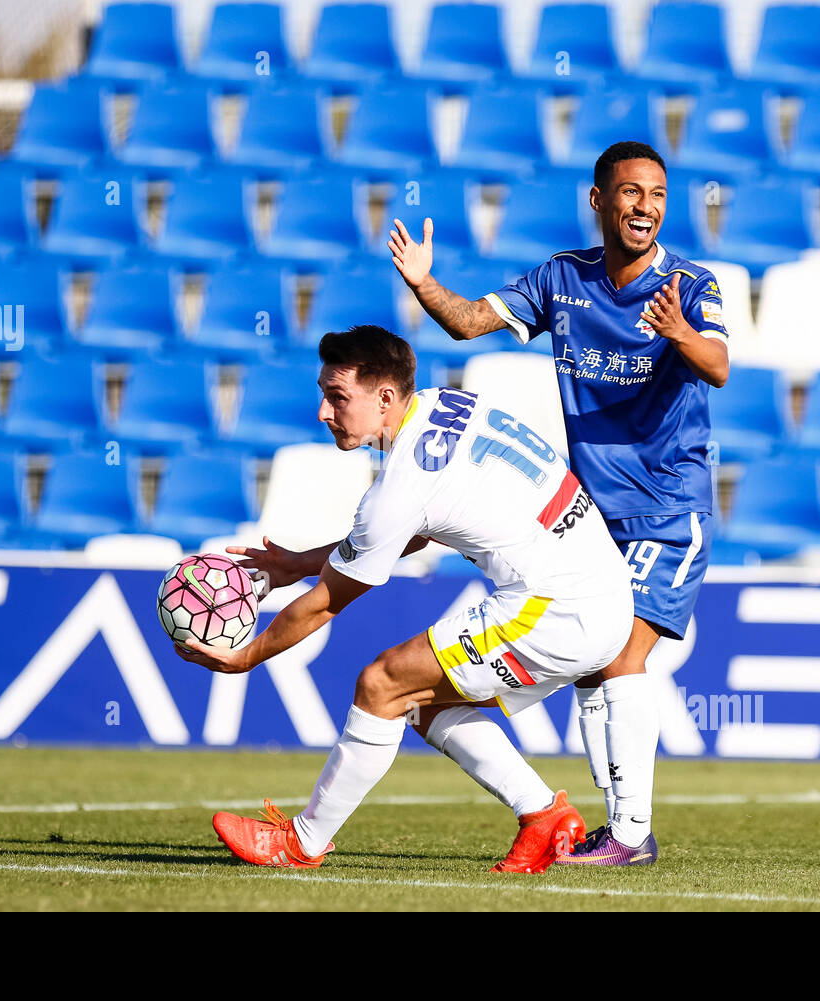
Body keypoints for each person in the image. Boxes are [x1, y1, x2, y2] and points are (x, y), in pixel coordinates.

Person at [175, 324, 634, 873]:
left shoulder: (403, 483)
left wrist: (246, 657)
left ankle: (303, 842)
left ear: (385, 397)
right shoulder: (447, 404)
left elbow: (326, 602)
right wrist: (293, 563)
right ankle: (543, 818)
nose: (324, 411)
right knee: (417, 701)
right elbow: (417, 529)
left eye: (338, 397)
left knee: (382, 683)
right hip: (599, 588)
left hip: (559, 605)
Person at [386, 141, 729, 865]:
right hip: (596, 517)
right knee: (589, 667)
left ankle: (632, 834)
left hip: (670, 507)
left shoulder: (691, 284)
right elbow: (469, 322)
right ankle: (617, 827)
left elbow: (719, 366)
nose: (646, 206)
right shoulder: (561, 279)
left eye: (659, 195)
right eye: (631, 192)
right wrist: (424, 283)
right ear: (599, 199)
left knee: (619, 657)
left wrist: (678, 333)